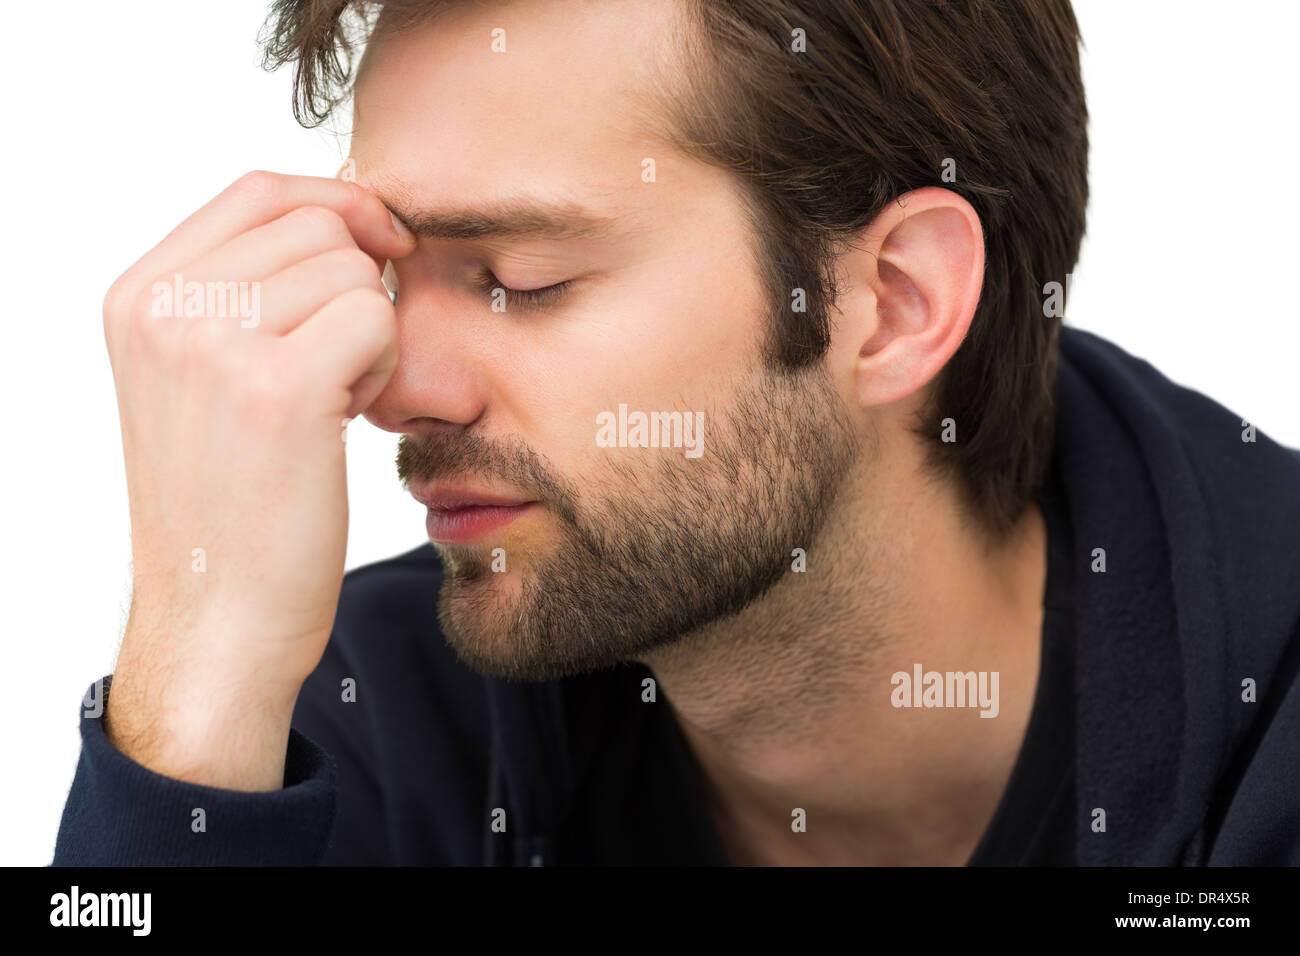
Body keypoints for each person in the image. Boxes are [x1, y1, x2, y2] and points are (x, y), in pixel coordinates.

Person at [53, 0, 1300, 866]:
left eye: (523, 276)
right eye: (390, 273)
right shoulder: (348, 728)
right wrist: (199, 669)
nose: (394, 387)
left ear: (895, 304)